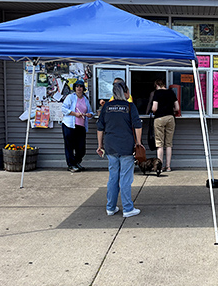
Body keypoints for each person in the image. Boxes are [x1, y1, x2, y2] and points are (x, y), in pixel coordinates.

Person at [96, 78, 142, 218]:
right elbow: (137, 125)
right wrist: (138, 143)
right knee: (125, 178)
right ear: (125, 92)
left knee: (113, 177)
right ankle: (128, 208)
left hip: (110, 146)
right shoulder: (129, 106)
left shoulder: (106, 107)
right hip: (126, 146)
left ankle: (110, 207)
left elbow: (100, 127)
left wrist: (100, 145)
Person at [61, 80, 93, 172]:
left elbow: (90, 111)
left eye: (81, 86)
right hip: (69, 125)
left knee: (81, 148)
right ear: (75, 88)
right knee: (69, 146)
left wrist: (89, 115)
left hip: (81, 126)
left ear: (83, 88)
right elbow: (63, 108)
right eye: (77, 86)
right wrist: (75, 114)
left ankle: (76, 162)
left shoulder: (85, 99)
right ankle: (71, 165)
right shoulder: (70, 97)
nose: (79, 88)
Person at [151, 79, 180, 172]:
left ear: (157, 85)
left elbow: (154, 108)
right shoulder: (171, 92)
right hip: (170, 118)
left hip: (159, 118)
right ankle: (168, 166)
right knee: (168, 144)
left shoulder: (157, 93)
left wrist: (154, 110)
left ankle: (160, 167)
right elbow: (177, 107)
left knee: (159, 144)